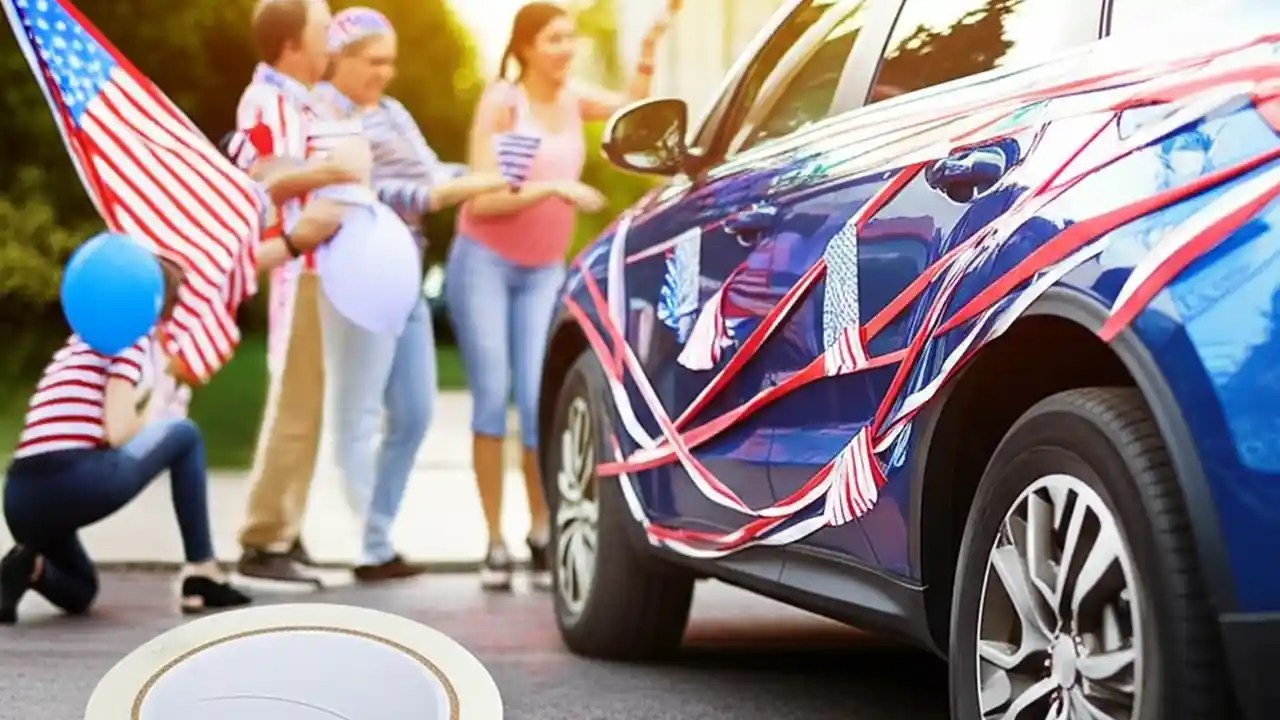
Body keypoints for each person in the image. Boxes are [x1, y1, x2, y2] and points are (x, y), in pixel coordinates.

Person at [448, 0, 674, 591]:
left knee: (536, 399)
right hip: (485, 264)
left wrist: (648, 49)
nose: (566, 48)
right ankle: (494, 542)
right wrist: (554, 187)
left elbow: (632, 110)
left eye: (569, 38)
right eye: (554, 39)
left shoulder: (573, 98)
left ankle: (542, 531)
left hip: (542, 269)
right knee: (494, 397)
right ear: (524, 47)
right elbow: (481, 199)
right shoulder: (503, 103)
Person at [311, 8, 510, 582]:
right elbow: (381, 190)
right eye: (374, 61)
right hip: (359, 276)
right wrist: (459, 189)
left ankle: (376, 530)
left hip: (406, 277)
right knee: (359, 412)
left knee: (416, 412)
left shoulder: (391, 111)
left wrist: (482, 172)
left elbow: (428, 171)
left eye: (389, 61)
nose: (385, 72)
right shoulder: (326, 114)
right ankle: (366, 543)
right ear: (340, 59)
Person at [0, 257, 241, 623]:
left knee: (81, 591)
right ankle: (202, 571)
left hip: (21, 497)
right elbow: (118, 430)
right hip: (75, 479)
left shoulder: (78, 341)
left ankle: (26, 567)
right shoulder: (129, 333)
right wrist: (158, 410)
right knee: (185, 434)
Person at [230, 0, 366, 585]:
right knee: (295, 401)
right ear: (291, 44)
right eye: (319, 30)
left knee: (307, 403)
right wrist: (335, 172)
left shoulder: (299, 99)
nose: (329, 41)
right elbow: (265, 176)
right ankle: (264, 539)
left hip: (317, 266)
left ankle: (286, 524)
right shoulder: (268, 101)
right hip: (296, 266)